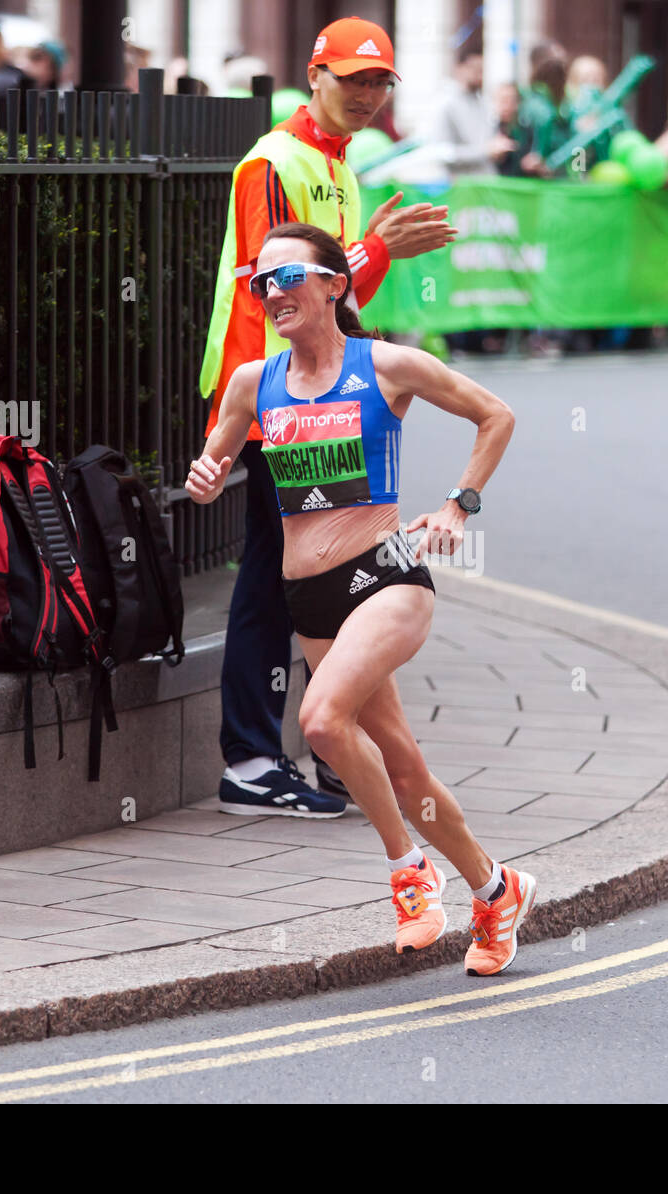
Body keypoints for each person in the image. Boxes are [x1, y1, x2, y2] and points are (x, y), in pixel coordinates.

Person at [185, 222, 535, 977]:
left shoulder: (387, 366)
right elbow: (213, 455)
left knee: (318, 722)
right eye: (260, 283)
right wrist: (206, 475)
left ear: (334, 284)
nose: (272, 294)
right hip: (306, 595)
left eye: (287, 278)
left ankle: (409, 877)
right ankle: (496, 888)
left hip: (386, 574)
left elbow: (495, 415)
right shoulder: (254, 382)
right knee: (404, 767)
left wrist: (457, 507)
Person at [197, 17, 456, 817]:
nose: (368, 96)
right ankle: (247, 758)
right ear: (315, 76)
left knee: (338, 566)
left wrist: (367, 268)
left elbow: (332, 297)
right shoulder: (272, 162)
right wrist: (374, 256)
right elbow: (273, 293)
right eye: (353, 81)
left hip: (321, 395)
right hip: (277, 400)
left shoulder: (338, 161)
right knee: (279, 568)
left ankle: (333, 743)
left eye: (379, 83)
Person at [423, 47, 512, 180]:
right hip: (461, 187)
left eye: (481, 69)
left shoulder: (483, 101)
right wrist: (485, 151)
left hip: (486, 185)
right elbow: (443, 153)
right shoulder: (445, 104)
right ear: (459, 68)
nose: (479, 74)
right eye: (474, 68)